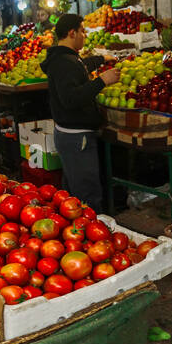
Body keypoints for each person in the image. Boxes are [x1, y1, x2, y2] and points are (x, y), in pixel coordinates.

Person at [40, 12, 110, 213]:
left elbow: (79, 67)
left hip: (70, 134)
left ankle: (78, 236)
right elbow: (70, 99)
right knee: (87, 196)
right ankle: (92, 237)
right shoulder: (63, 63)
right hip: (77, 138)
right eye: (82, 31)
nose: (84, 36)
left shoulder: (64, 58)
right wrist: (102, 81)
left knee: (74, 194)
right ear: (72, 33)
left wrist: (100, 59)